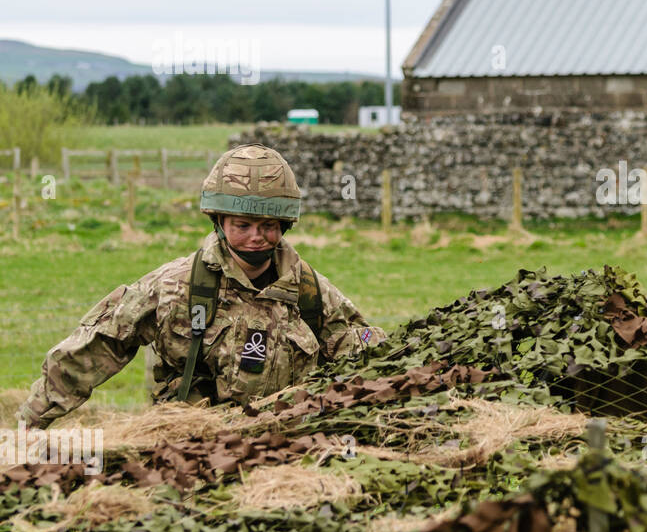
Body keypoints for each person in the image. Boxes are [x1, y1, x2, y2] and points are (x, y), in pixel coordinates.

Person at [17, 145, 386, 429]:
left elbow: (368, 351)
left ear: (284, 225)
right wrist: (28, 426)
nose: (257, 238)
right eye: (243, 225)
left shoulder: (309, 292)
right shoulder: (175, 287)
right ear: (220, 221)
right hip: (190, 456)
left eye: (269, 226)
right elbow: (95, 346)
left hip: (286, 456)